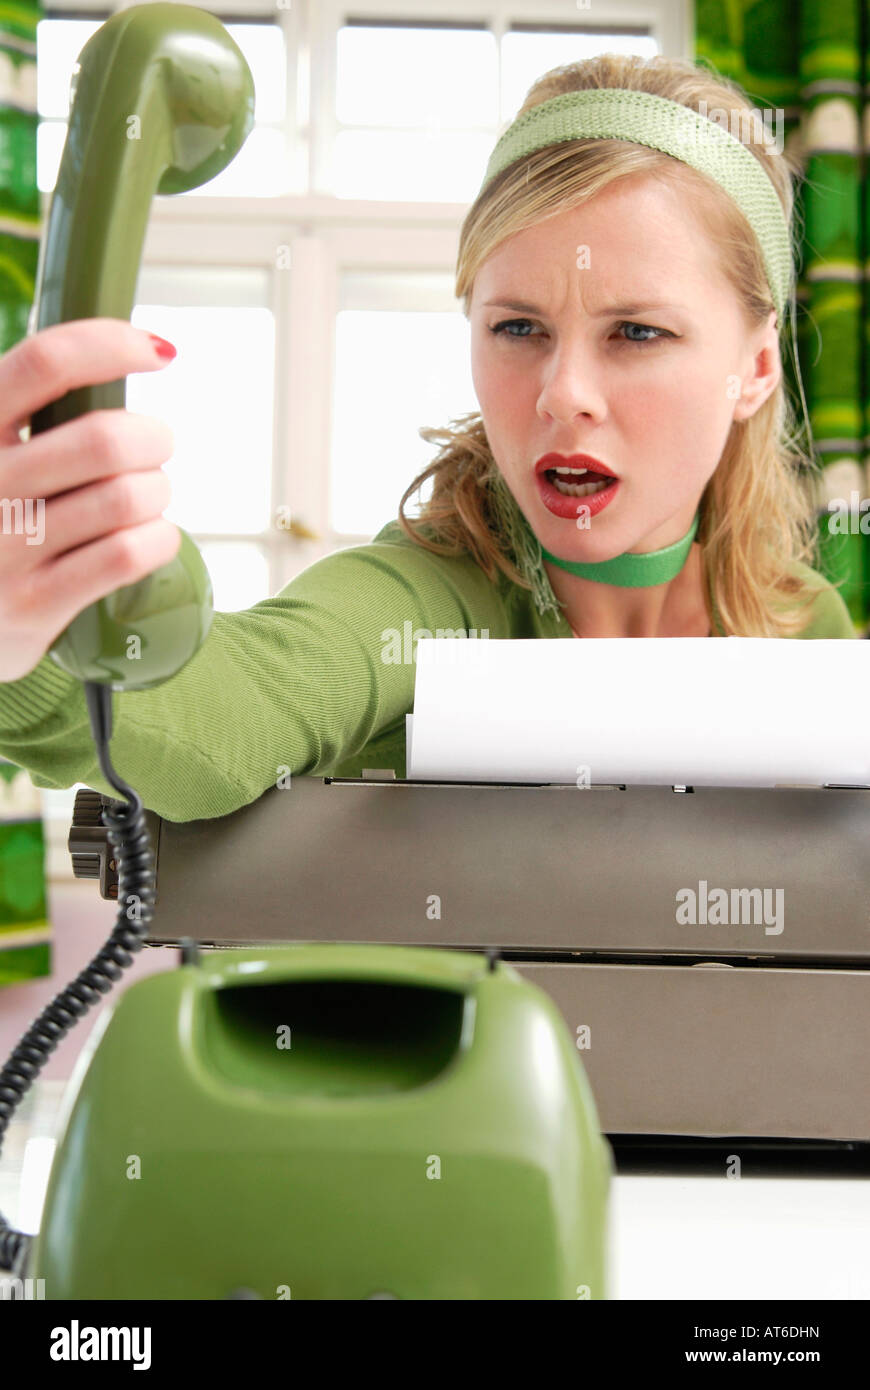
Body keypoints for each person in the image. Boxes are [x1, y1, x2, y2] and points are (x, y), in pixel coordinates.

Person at [0, 53, 856, 823]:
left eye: (636, 333)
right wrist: (43, 621)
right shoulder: (424, 607)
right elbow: (229, 709)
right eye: (519, 328)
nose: (563, 397)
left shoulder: (804, 624)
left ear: (753, 367)